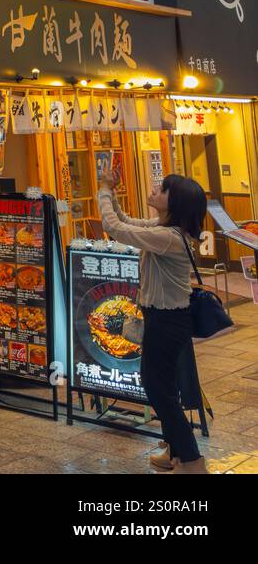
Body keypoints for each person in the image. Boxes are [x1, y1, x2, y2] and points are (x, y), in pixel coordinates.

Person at [97, 168, 208, 474]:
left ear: (176, 203)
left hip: (167, 322)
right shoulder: (164, 228)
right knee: (165, 388)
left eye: (164, 189)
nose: (156, 189)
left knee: (157, 389)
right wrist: (114, 196)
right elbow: (127, 222)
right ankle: (174, 453)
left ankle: (192, 462)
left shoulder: (167, 237)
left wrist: (104, 191)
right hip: (165, 319)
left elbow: (116, 229)